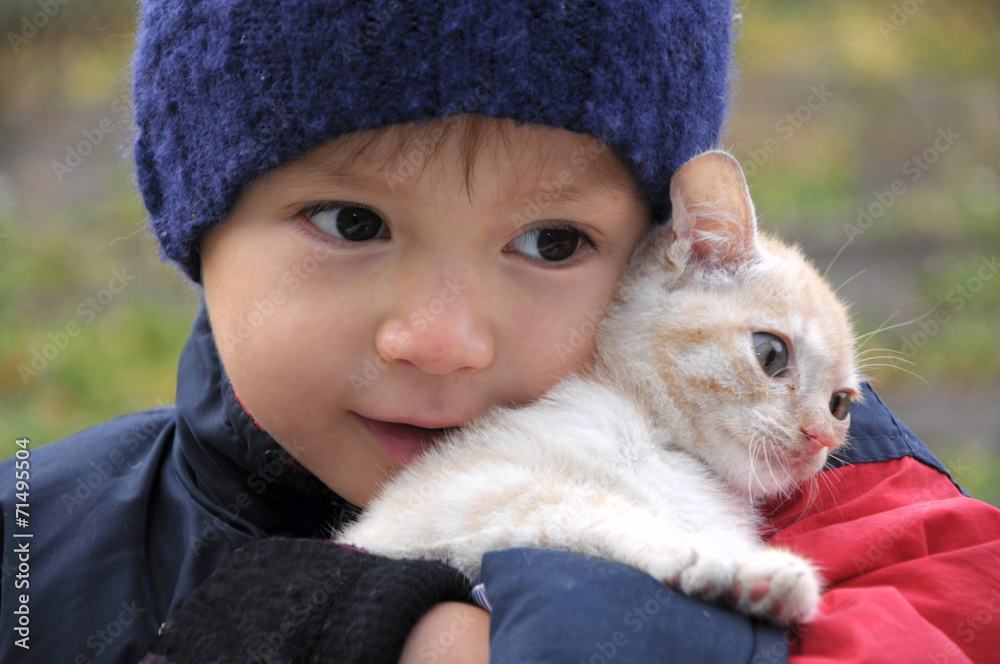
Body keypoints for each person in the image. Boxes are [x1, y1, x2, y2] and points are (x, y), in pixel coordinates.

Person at [2, 1, 999, 663]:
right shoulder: (36, 540)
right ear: (198, 225)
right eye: (354, 224)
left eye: (550, 240)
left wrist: (455, 641)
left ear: (663, 252)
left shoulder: (822, 482)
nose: (441, 341)